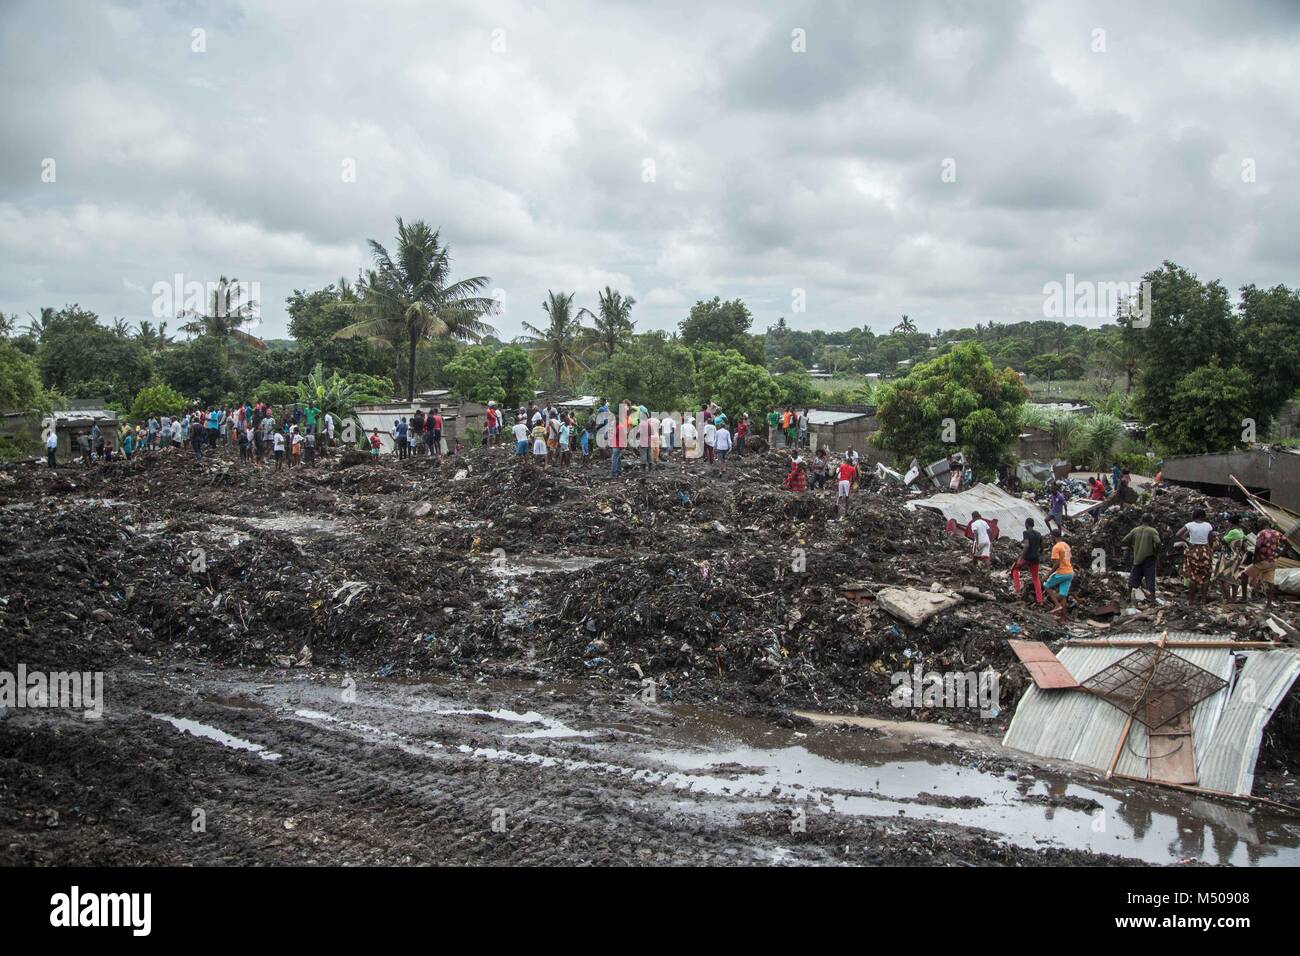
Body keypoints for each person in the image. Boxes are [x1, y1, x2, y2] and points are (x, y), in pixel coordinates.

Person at [1175, 508, 1216, 605]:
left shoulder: (1190, 525)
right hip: (1205, 550)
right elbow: (1210, 539)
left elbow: (1178, 534)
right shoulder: (1208, 525)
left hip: (1193, 551)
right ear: (1203, 516)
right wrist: (1209, 549)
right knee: (1206, 577)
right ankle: (1203, 600)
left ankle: (1191, 600)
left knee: (1193, 576)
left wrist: (1188, 541)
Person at [1245, 517, 1285, 607]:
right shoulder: (1277, 533)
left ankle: (1243, 598)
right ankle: (1269, 604)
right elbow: (1288, 545)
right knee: (1271, 583)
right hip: (1272, 562)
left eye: (1259, 524)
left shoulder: (1261, 533)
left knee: (1244, 575)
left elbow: (1257, 547)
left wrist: (1255, 559)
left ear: (1262, 524)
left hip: (1262, 561)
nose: (1258, 526)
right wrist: (1278, 555)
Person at [1122, 513, 1161, 605]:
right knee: (1150, 578)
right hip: (1149, 558)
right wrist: (1156, 550)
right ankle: (1152, 600)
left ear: (1141, 520)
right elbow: (1158, 542)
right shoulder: (1152, 531)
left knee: (1133, 577)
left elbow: (1124, 540)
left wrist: (1132, 547)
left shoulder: (1135, 530)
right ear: (1150, 521)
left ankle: (1128, 597)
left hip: (1138, 557)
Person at [1010, 518, 1044, 604]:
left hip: (1027, 558)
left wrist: (1021, 557)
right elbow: (1042, 547)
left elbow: (1026, 545)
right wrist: (1038, 553)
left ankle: (1017, 590)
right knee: (1036, 578)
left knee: (1015, 568)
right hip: (1035, 558)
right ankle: (1040, 600)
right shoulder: (1039, 534)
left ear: (1026, 524)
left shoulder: (1026, 533)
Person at [1044, 530, 1074, 620]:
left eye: (1051, 536)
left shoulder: (1056, 547)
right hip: (1070, 573)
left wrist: (1048, 574)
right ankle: (1064, 617)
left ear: (1053, 536)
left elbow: (1056, 563)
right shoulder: (1066, 545)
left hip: (1062, 572)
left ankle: (1057, 605)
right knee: (1063, 595)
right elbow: (1069, 558)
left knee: (1046, 585)